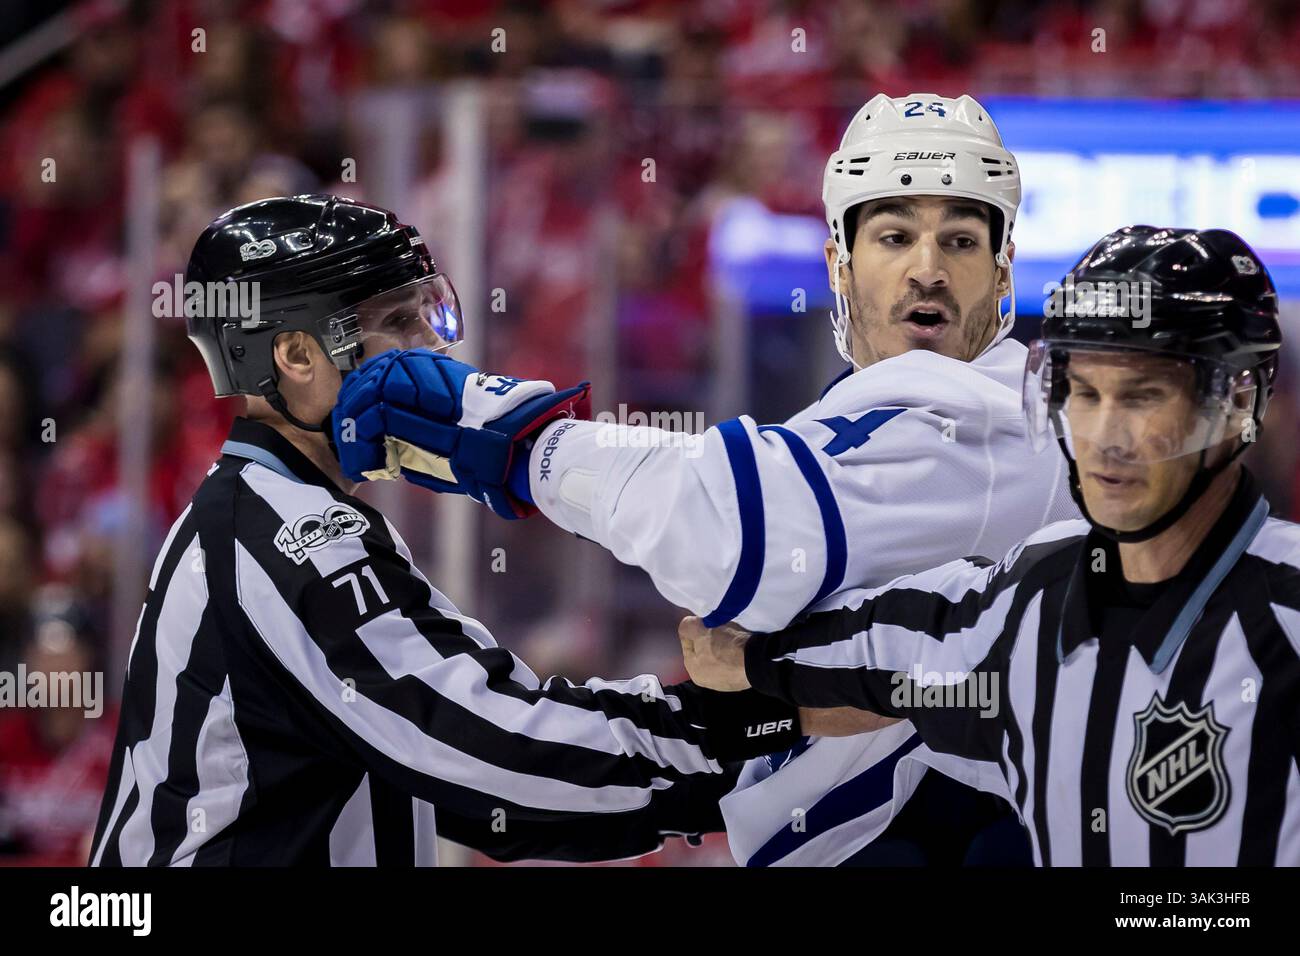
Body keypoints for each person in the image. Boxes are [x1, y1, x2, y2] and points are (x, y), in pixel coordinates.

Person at [330, 94, 1077, 865]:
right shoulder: (896, 418)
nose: (928, 269)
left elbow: (738, 534)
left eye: (960, 240)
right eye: (895, 236)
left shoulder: (993, 423)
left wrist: (521, 441)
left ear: (1002, 273)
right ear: (840, 266)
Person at [89, 194, 822, 867]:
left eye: (426, 313)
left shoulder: (263, 512)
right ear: (298, 356)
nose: (432, 349)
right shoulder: (290, 536)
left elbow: (463, 782)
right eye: (396, 323)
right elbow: (493, 753)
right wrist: (729, 727)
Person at [681, 226, 1300, 866]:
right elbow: (888, 649)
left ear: (1238, 401)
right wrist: (750, 660)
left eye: (1145, 398)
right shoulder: (1027, 600)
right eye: (1082, 393)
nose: (1105, 436)